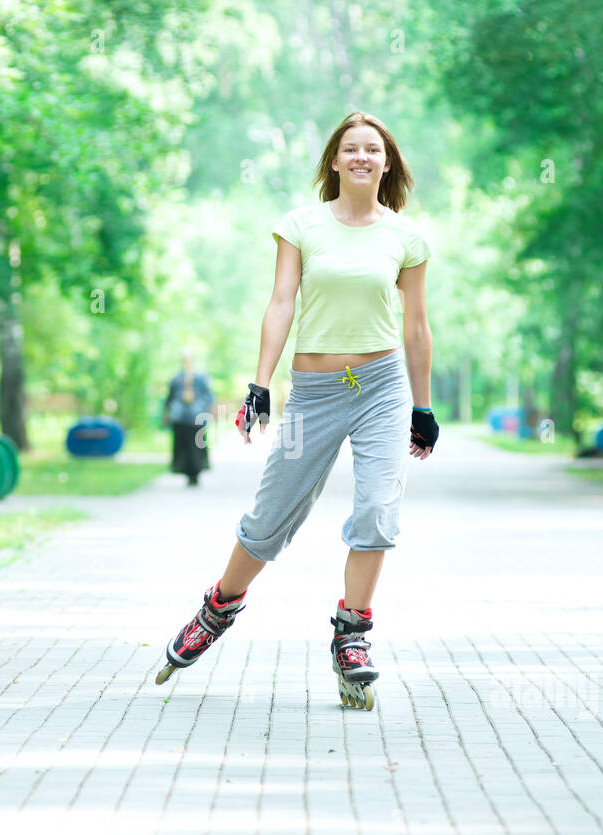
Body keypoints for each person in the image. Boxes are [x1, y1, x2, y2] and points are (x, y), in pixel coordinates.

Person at [155, 111, 438, 711]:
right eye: (350, 149)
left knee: (379, 508)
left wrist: (423, 404)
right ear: (334, 161)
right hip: (313, 391)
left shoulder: (406, 238)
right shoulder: (302, 225)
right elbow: (281, 302)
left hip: (383, 386)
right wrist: (259, 383)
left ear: (386, 163)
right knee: (271, 515)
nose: (362, 157)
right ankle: (218, 608)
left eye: (373, 150)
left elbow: (416, 327)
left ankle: (352, 635)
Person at [163, 349, 214, 486]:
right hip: (180, 417)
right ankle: (185, 472)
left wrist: (210, 411)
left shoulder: (201, 377)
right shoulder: (176, 378)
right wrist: (167, 413)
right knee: (183, 447)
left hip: (197, 417)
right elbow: (170, 397)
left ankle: (196, 472)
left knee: (197, 446)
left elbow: (209, 396)